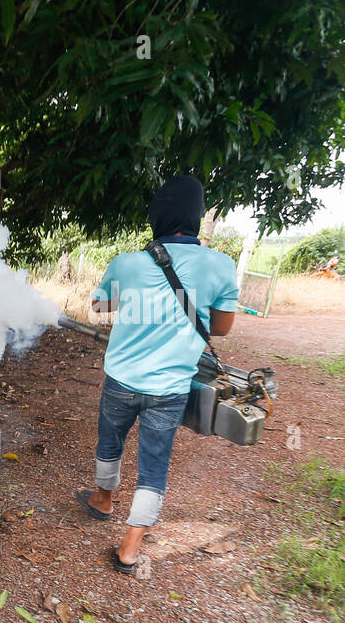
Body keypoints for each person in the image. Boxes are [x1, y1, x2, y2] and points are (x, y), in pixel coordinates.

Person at [74, 175, 240, 575]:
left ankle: (102, 499)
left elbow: (99, 308)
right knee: (155, 463)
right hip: (170, 387)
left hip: (121, 378)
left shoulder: (128, 262)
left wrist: (133, 297)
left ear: (156, 217)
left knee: (109, 441)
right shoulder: (221, 266)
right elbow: (221, 328)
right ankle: (129, 549)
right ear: (197, 218)